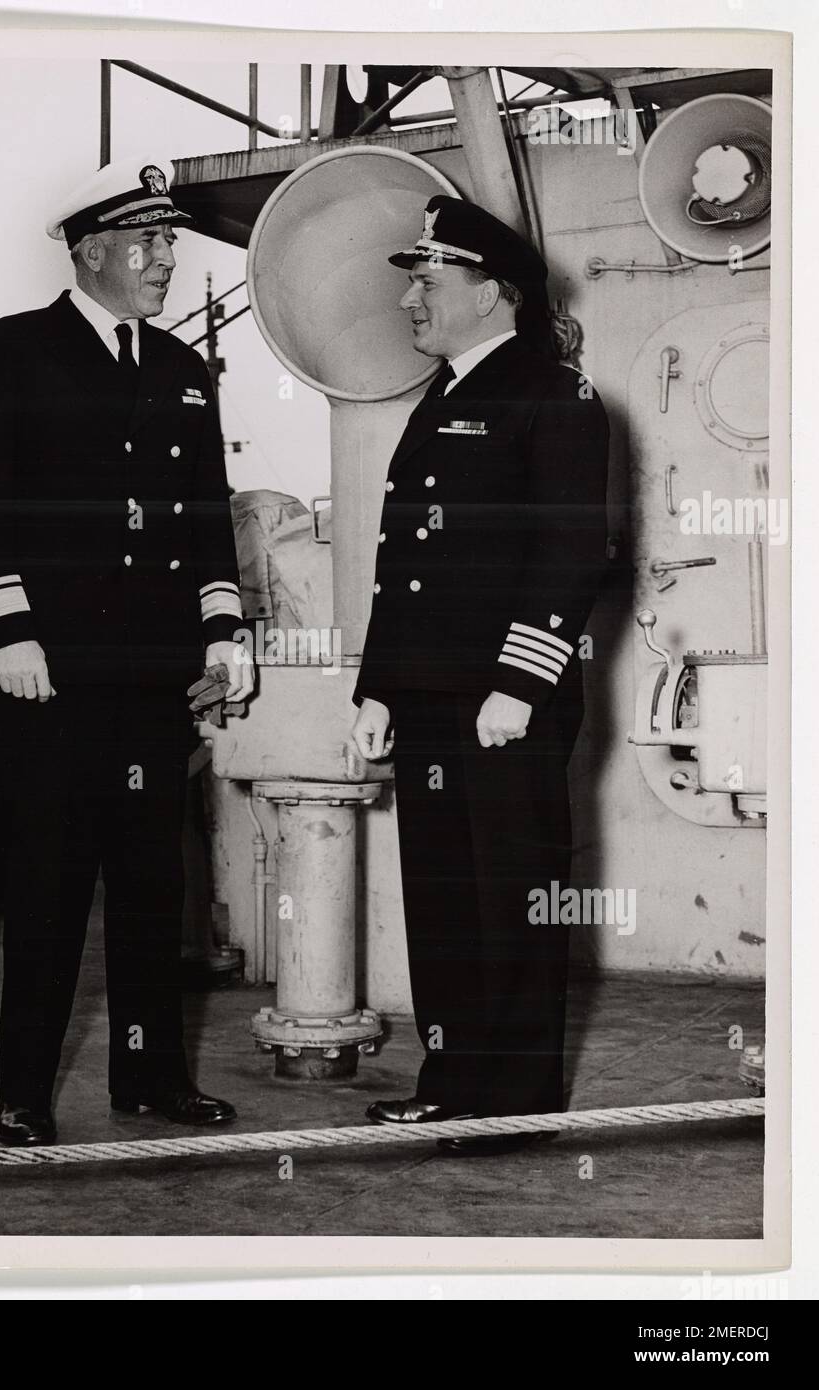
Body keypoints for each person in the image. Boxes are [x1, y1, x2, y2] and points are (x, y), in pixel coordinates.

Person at [0, 154, 253, 1145]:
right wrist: (7, 626)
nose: (168, 258)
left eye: (170, 240)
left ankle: (148, 1078)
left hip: (151, 679)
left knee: (153, 884)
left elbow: (207, 515)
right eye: (149, 242)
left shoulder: (182, 372)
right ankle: (25, 1091)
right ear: (91, 250)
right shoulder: (11, 352)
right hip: (49, 678)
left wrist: (223, 626)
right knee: (46, 887)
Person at [350, 195, 609, 1157]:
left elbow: (570, 554)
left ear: (492, 292)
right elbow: (403, 565)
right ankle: (452, 1082)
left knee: (511, 898)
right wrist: (377, 688)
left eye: (428, 281)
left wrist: (520, 685)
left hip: (504, 703)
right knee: (445, 899)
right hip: (426, 700)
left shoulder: (554, 395)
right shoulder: (445, 396)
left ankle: (517, 1102)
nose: (411, 299)